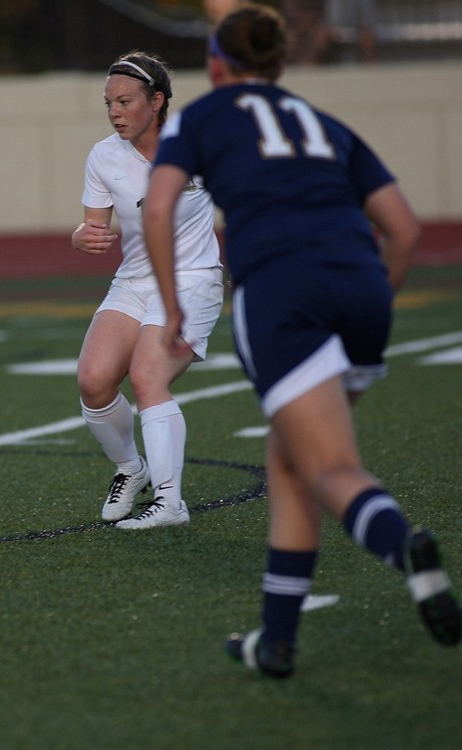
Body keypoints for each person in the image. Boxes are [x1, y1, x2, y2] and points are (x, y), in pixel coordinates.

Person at [142, 2, 459, 677]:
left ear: (215, 62)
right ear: (280, 65)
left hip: (283, 291)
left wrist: (169, 306)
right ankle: (275, 640)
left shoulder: (201, 115)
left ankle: (406, 550)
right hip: (361, 284)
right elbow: (402, 230)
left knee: (330, 468)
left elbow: (160, 204)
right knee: (288, 459)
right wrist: (370, 299)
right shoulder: (323, 122)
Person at [71, 51, 223, 530]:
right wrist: (82, 236)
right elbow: (93, 225)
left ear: (156, 101)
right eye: (109, 103)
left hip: (194, 278)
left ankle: (170, 501)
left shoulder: (198, 146)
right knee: (93, 382)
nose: (115, 112)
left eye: (125, 101)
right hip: (136, 279)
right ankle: (130, 470)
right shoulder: (103, 155)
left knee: (147, 377)